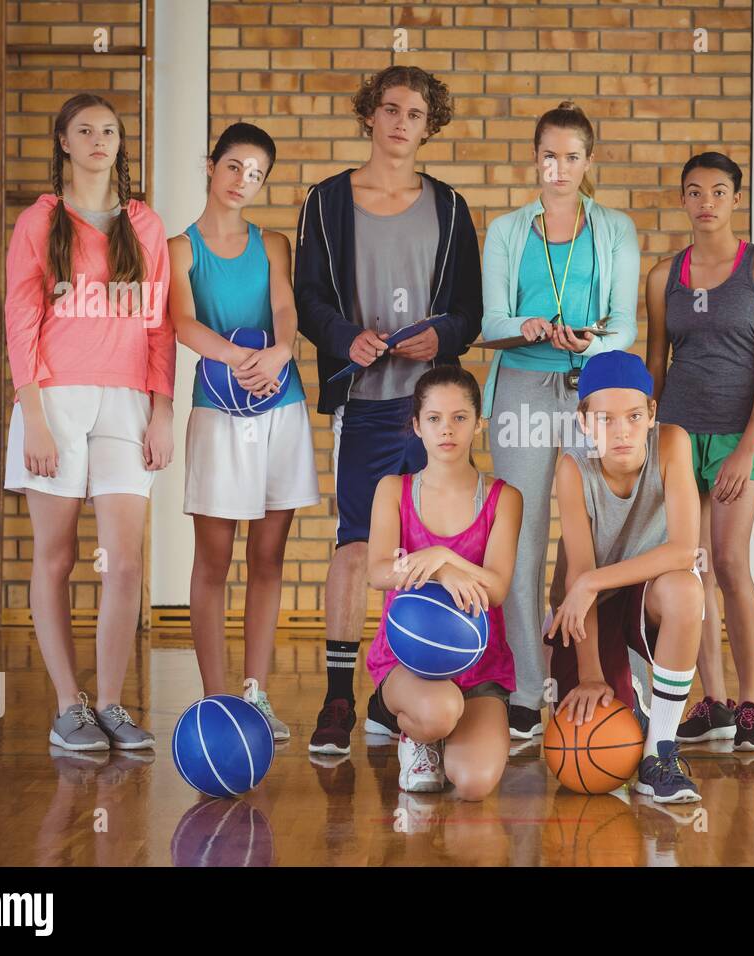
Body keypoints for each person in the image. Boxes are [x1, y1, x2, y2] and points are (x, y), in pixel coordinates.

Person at [295, 66, 483, 755]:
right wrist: (346, 337)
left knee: (434, 544)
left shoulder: (451, 207)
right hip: (365, 405)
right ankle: (338, 698)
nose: (402, 123)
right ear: (369, 114)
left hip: (430, 407)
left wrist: (445, 337)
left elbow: (469, 310)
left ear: (430, 127)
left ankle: (404, 688)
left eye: (416, 114)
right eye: (392, 109)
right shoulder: (325, 202)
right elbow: (309, 298)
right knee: (355, 546)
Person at [4, 93, 175, 750]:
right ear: (64, 142)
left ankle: (109, 703)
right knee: (58, 556)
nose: (99, 140)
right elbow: (21, 322)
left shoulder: (145, 224)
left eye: (109, 130)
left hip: (127, 402)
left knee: (124, 563)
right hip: (56, 399)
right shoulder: (39, 222)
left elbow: (159, 327)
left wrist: (162, 412)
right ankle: (67, 707)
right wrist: (34, 416)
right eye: (85, 130)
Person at [480, 101, 642, 739]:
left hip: (588, 389)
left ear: (587, 161)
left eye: (572, 156)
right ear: (535, 159)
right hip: (521, 387)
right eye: (549, 155)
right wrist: (523, 325)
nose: (560, 167)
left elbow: (624, 324)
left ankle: (586, 670)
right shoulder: (506, 230)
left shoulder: (615, 229)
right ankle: (526, 687)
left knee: (588, 535)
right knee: (522, 537)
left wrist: (592, 343)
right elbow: (490, 320)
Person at [168, 122, 319, 740]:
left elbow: (284, 308)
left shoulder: (273, 243)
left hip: (281, 407)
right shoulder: (181, 249)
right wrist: (241, 359)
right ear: (212, 166)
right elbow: (182, 322)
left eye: (256, 174)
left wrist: (281, 352)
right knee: (213, 559)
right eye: (234, 166)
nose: (242, 180)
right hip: (219, 410)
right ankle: (216, 699)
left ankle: (255, 693)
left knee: (267, 555)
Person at [645, 152, 754, 751]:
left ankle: (751, 703)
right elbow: (657, 364)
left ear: (735, 199)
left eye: (719, 191)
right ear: (683, 199)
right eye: (695, 191)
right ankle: (715, 703)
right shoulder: (663, 276)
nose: (707, 202)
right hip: (679, 433)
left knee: (729, 562)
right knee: (694, 565)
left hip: (737, 435)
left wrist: (746, 449)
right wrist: (647, 433)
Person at [545, 351, 705, 803]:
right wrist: (591, 675)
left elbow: (683, 550)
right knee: (595, 744)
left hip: (645, 595)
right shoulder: (573, 468)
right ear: (583, 421)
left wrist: (592, 581)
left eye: (634, 416)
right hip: (588, 613)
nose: (622, 431)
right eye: (605, 419)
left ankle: (660, 754)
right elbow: (578, 577)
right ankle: (629, 701)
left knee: (687, 590)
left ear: (652, 413)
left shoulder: (672, 442)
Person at [364, 366, 523, 797]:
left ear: (478, 423)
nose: (446, 429)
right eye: (434, 418)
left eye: (459, 417)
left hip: (479, 662)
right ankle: (418, 735)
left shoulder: (503, 498)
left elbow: (496, 588)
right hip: (408, 662)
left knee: (473, 784)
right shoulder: (393, 490)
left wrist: (445, 555)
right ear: (417, 426)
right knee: (439, 712)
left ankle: (448, 732)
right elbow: (378, 571)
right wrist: (440, 571)